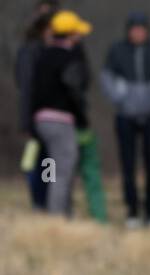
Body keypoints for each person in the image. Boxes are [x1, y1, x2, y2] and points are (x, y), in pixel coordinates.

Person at [101, 11, 150, 228]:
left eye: (142, 29)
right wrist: (121, 98)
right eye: (134, 29)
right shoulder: (117, 51)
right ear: (128, 31)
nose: (138, 33)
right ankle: (132, 211)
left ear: (147, 30)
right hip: (125, 116)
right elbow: (107, 79)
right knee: (128, 165)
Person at [29, 8, 91, 217]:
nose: (80, 37)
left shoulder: (43, 56)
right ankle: (58, 218)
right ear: (71, 34)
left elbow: (32, 91)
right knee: (62, 172)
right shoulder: (67, 58)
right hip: (61, 120)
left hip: (42, 121)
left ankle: (50, 209)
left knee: (51, 168)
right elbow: (74, 89)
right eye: (77, 34)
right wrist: (82, 118)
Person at [16, 2, 58, 211]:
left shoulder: (51, 49)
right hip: (34, 117)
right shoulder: (29, 51)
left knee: (47, 162)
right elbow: (25, 87)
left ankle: (45, 200)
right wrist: (26, 122)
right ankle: (38, 201)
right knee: (32, 163)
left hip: (49, 116)